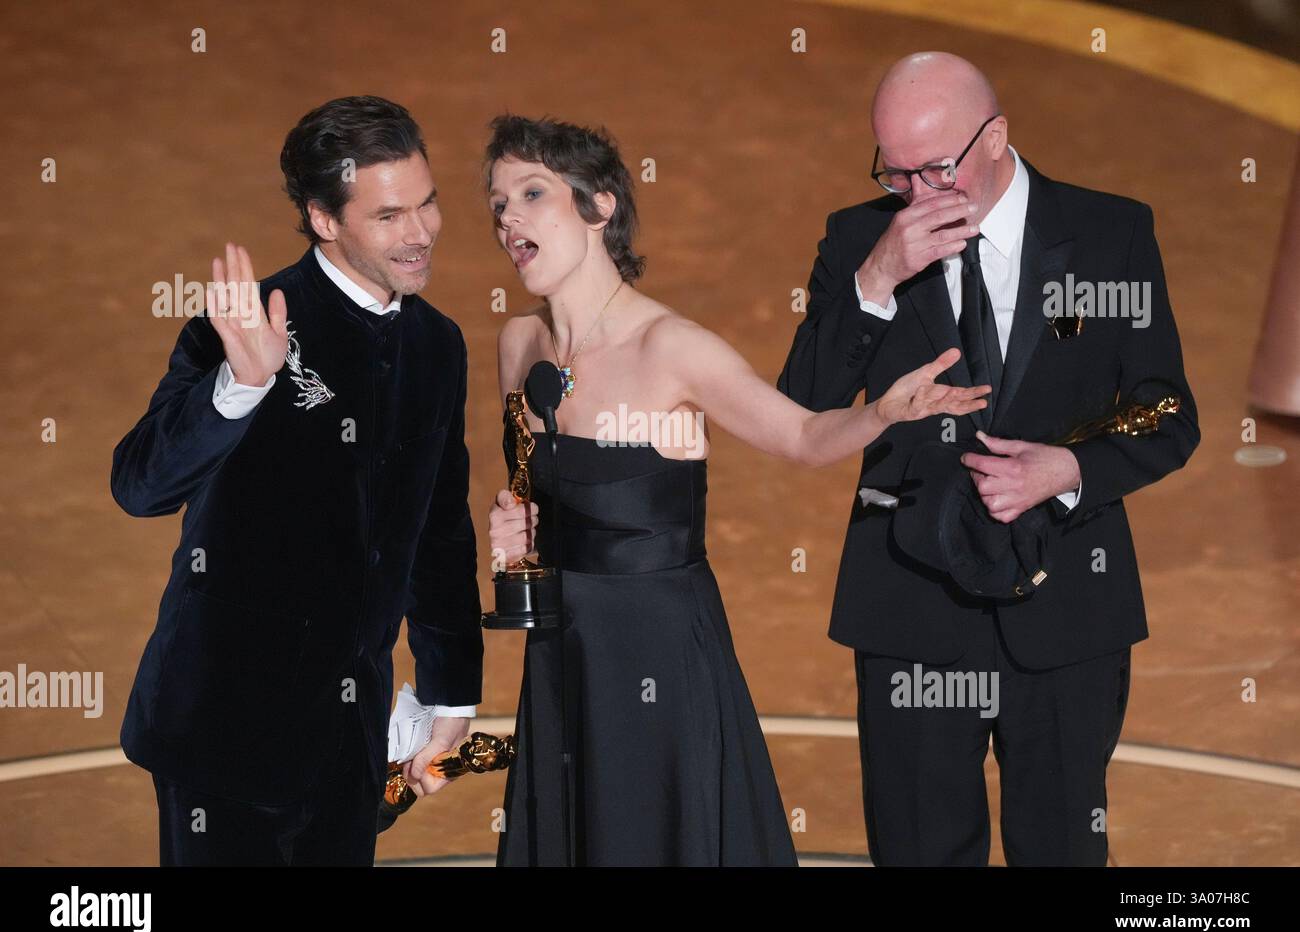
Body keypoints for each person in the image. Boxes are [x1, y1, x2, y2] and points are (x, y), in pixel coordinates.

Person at [482, 114, 991, 866]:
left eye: (531, 193)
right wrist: (516, 526)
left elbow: (802, 438)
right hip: (565, 648)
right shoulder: (518, 343)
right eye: (497, 204)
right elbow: (530, 486)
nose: (508, 217)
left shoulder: (674, 348)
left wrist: (881, 412)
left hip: (657, 649)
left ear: (599, 208)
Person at [777, 52, 1200, 865]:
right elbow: (802, 407)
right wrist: (876, 279)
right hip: (910, 605)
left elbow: (1168, 411)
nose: (916, 194)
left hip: (1068, 610)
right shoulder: (859, 241)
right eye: (894, 173)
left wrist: (1068, 470)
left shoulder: (1112, 235)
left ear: (997, 137)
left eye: (937, 167)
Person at [111, 96, 482, 865]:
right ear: (324, 219)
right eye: (388, 217)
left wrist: (451, 690)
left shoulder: (439, 346)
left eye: (427, 203)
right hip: (223, 736)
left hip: (350, 742)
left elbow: (439, 529)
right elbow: (141, 486)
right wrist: (238, 388)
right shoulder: (242, 323)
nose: (419, 233)